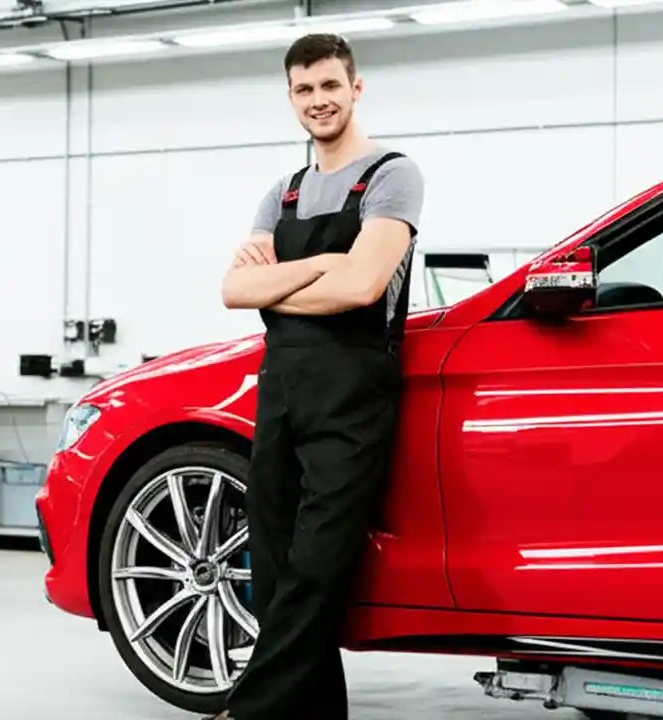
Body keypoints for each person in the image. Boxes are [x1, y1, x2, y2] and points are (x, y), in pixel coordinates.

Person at [212, 33, 424, 720]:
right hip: (282, 391)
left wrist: (277, 281)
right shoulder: (286, 190)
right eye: (304, 90)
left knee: (318, 564)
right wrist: (320, 267)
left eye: (330, 86)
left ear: (356, 88)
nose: (319, 101)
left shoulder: (391, 175)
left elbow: (363, 287)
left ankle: (250, 711)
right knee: (272, 563)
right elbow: (233, 293)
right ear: (291, 98)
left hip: (352, 395)